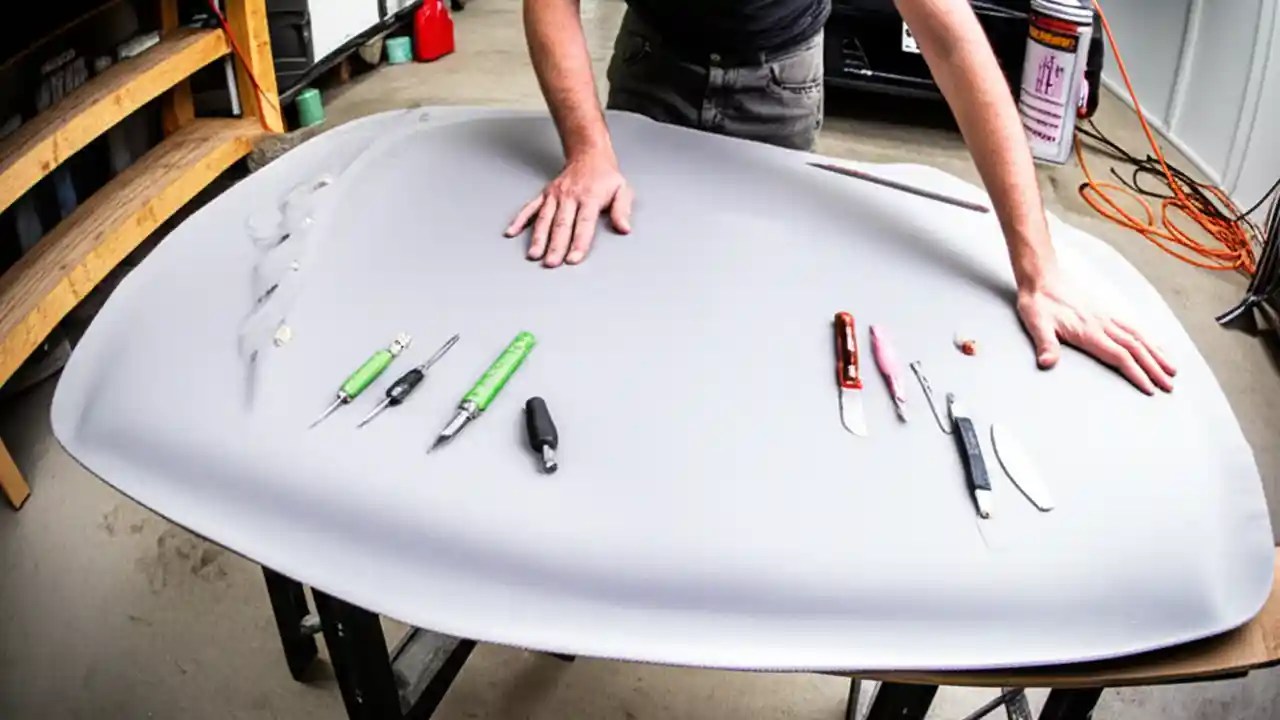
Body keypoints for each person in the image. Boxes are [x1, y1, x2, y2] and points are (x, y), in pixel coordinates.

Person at [504, 0, 1176, 394]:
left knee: (756, 315)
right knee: (628, 295)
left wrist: (1038, 272)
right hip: (657, 62)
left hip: (777, 81)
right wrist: (588, 150)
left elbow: (951, 42)